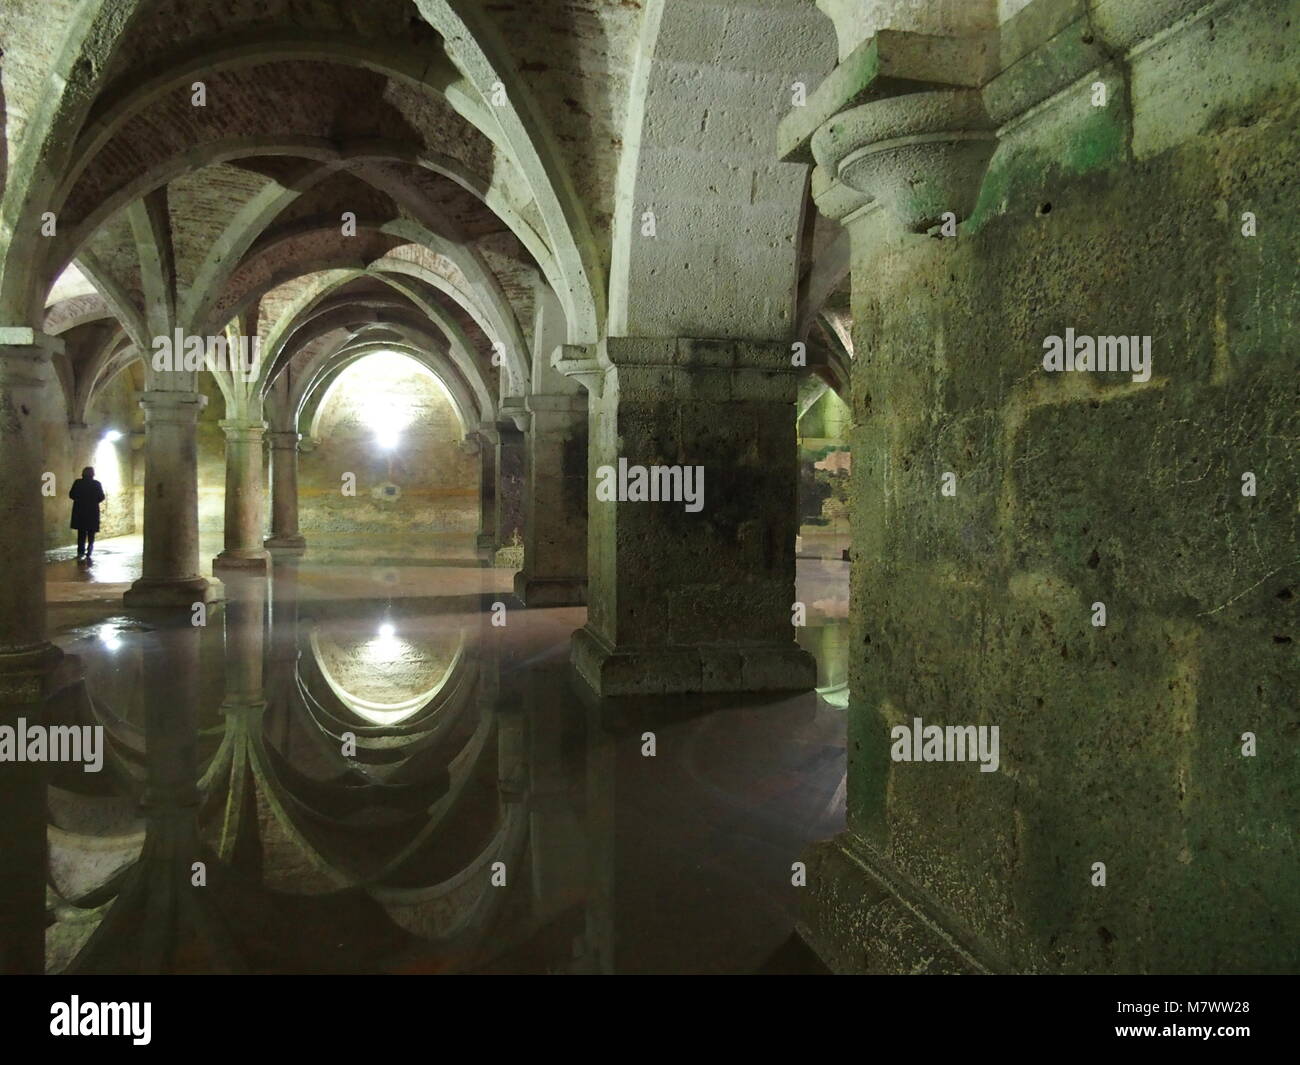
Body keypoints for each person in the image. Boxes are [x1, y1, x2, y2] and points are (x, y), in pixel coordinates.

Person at [69, 466, 106, 561]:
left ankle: (80, 551)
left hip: (80, 510)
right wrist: (93, 501)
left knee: (81, 532)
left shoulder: (78, 483)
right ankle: (89, 549)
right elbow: (101, 497)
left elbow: (71, 494)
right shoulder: (96, 484)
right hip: (92, 511)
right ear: (92, 474)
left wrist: (80, 500)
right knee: (91, 531)